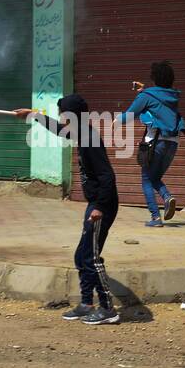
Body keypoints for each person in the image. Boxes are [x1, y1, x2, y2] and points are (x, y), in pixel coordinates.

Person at [15, 95, 120, 325]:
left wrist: (100, 207)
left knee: (91, 258)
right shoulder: (81, 132)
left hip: (102, 206)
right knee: (81, 255)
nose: (62, 117)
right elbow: (60, 130)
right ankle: (86, 304)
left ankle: (107, 308)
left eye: (63, 113)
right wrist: (34, 116)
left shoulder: (90, 138)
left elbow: (107, 176)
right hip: (95, 203)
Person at [120, 61, 185, 228]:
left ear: (154, 78)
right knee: (154, 177)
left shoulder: (147, 96)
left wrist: (115, 120)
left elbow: (128, 115)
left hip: (155, 142)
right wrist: (145, 91)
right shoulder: (172, 96)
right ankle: (167, 197)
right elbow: (158, 103)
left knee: (146, 180)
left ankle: (155, 217)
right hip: (173, 142)